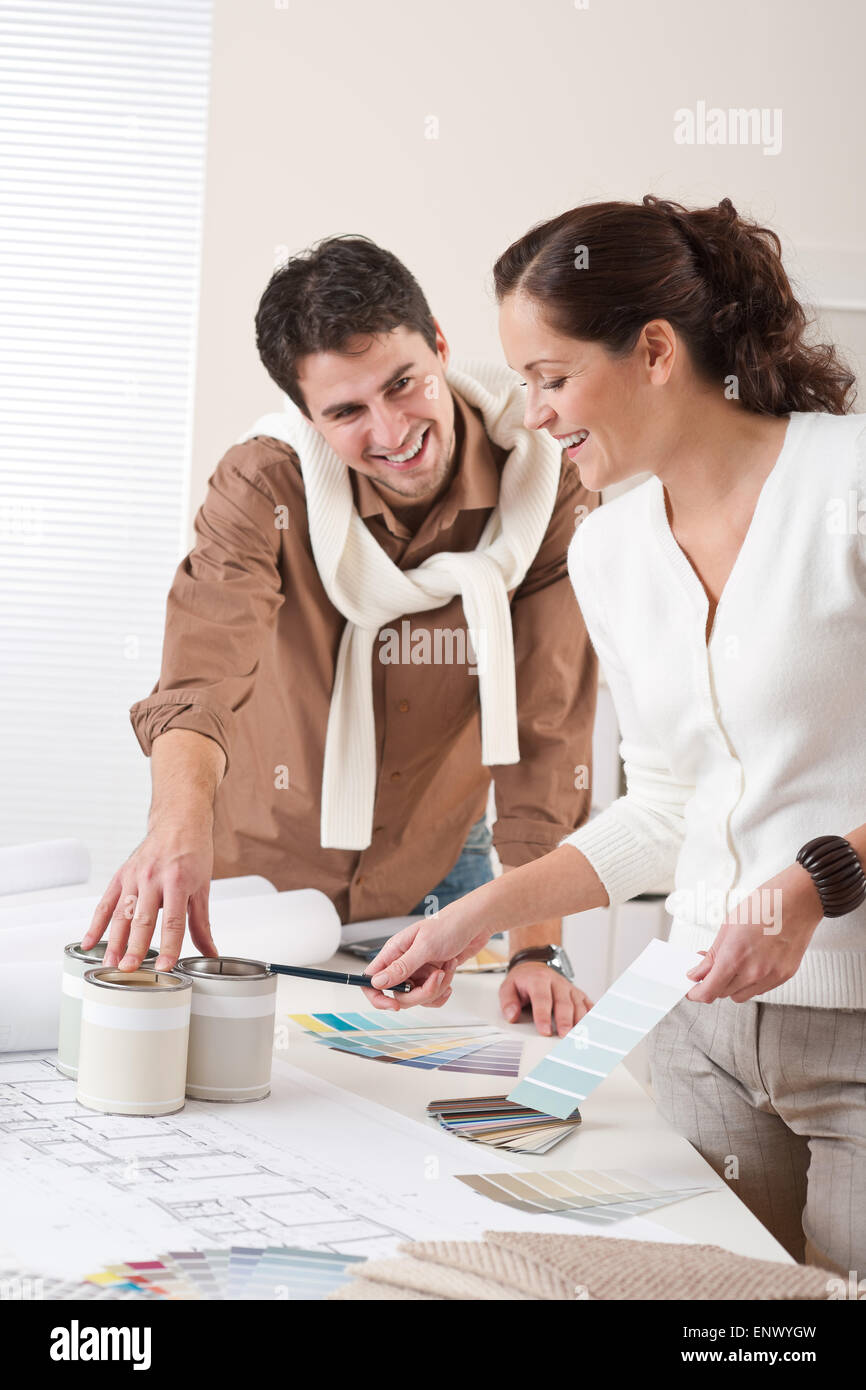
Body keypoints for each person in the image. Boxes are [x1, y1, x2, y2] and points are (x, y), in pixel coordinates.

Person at [366, 196, 866, 1274]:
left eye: (551, 378)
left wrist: (816, 880)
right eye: (521, 384)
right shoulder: (610, 550)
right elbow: (667, 806)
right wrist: (485, 914)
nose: (532, 413)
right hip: (699, 1034)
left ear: (651, 352)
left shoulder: (847, 484)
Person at [81, 235, 600, 1036]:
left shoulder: (540, 481)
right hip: (252, 885)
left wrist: (537, 948)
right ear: (305, 415)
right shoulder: (266, 482)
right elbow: (200, 676)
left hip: (438, 877)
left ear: (438, 344)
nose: (393, 431)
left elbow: (548, 718)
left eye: (404, 384)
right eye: (347, 412)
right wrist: (175, 828)